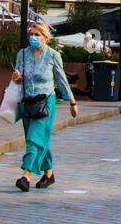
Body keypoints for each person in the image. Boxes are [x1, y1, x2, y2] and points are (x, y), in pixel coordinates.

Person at [10, 20, 78, 192]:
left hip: (45, 102)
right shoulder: (22, 54)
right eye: (31, 34)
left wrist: (72, 101)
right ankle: (49, 174)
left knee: (34, 138)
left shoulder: (53, 55)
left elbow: (62, 80)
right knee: (38, 139)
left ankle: (26, 176)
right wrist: (16, 77)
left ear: (45, 37)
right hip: (27, 102)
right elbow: (17, 77)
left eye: (37, 35)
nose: (33, 38)